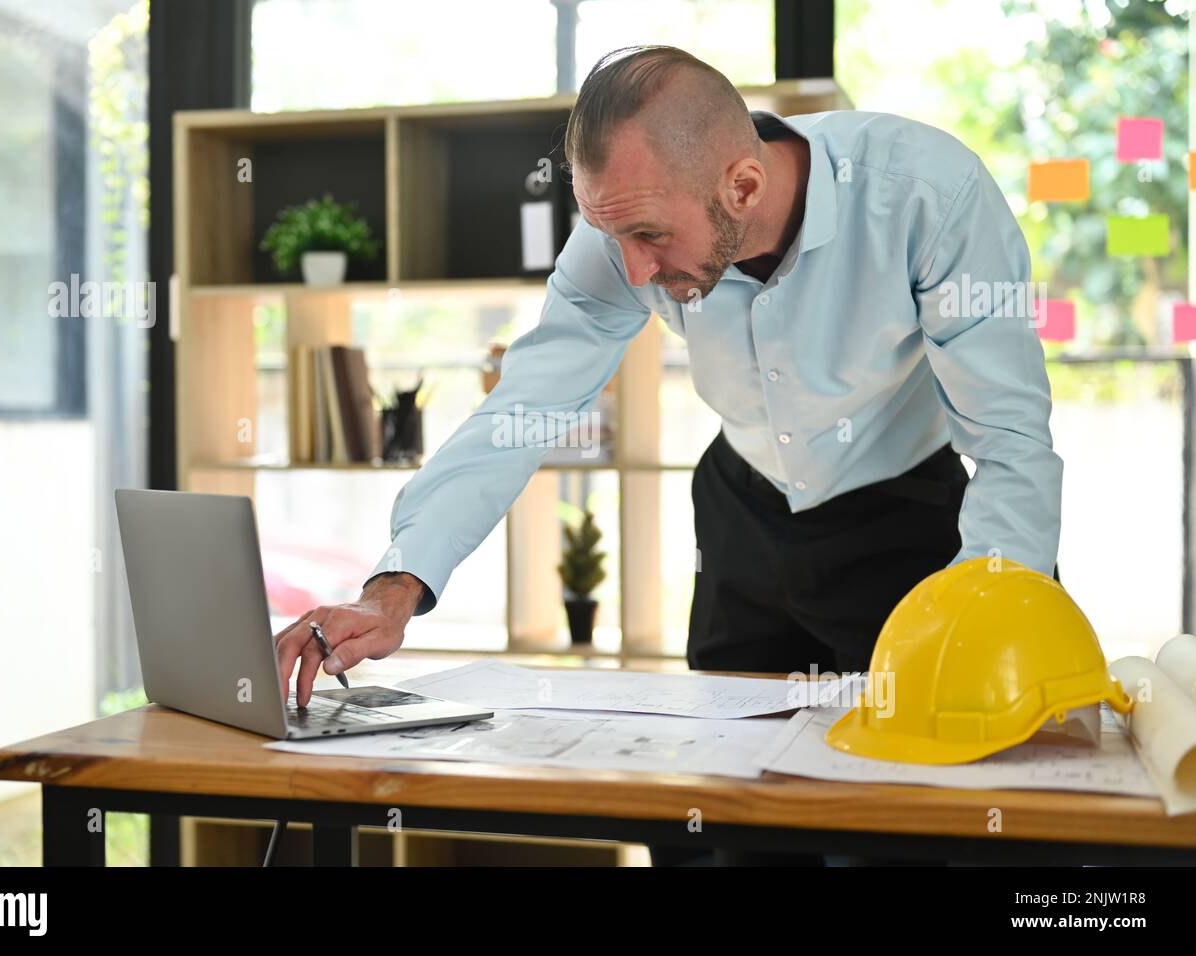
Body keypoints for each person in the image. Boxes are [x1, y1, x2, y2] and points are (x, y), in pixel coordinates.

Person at [274, 45, 1063, 867]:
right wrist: (396, 586)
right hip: (742, 521)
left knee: (922, 828)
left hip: (906, 525)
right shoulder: (626, 228)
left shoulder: (929, 195)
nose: (634, 270)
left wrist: (996, 616)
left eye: (649, 236)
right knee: (716, 827)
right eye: (612, 235)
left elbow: (1009, 438)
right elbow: (525, 404)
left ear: (743, 186)